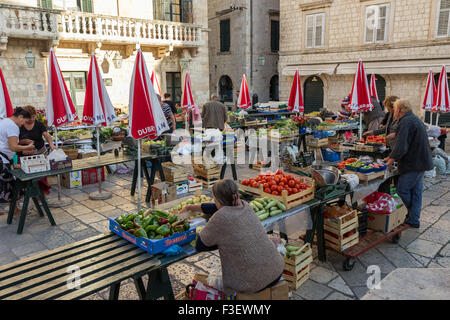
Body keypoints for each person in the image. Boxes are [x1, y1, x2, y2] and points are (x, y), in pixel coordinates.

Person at [179, 179, 284, 296]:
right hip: (276, 269)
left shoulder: (220, 218)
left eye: (214, 199)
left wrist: (220, 240)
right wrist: (190, 207)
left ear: (217, 200)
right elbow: (219, 208)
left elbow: (200, 245)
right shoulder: (244, 205)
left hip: (254, 282)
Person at [383, 99, 433, 228]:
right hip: (421, 161)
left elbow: (402, 146)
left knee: (402, 189)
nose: (393, 112)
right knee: (416, 192)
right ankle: (414, 219)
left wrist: (391, 159)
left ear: (399, 110)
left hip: (415, 162)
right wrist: (391, 156)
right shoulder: (412, 119)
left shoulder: (406, 121)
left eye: (394, 109)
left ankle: (412, 214)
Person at [0, 107, 34, 216]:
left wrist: (23, 142)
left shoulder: (5, 121)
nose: (23, 124)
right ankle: (14, 210)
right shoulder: (13, 126)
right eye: (24, 121)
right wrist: (27, 147)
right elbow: (13, 147)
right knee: (9, 186)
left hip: (2, 157)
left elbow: (5, 141)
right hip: (3, 160)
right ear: (20, 117)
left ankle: (13, 210)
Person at [18, 105, 56, 196]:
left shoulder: (39, 124)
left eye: (33, 116)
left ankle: (42, 195)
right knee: (27, 177)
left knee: (42, 176)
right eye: (29, 117)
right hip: (25, 155)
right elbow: (15, 141)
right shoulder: (20, 126)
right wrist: (24, 141)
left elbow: (47, 136)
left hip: (40, 153)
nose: (31, 119)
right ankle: (30, 195)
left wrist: (52, 146)